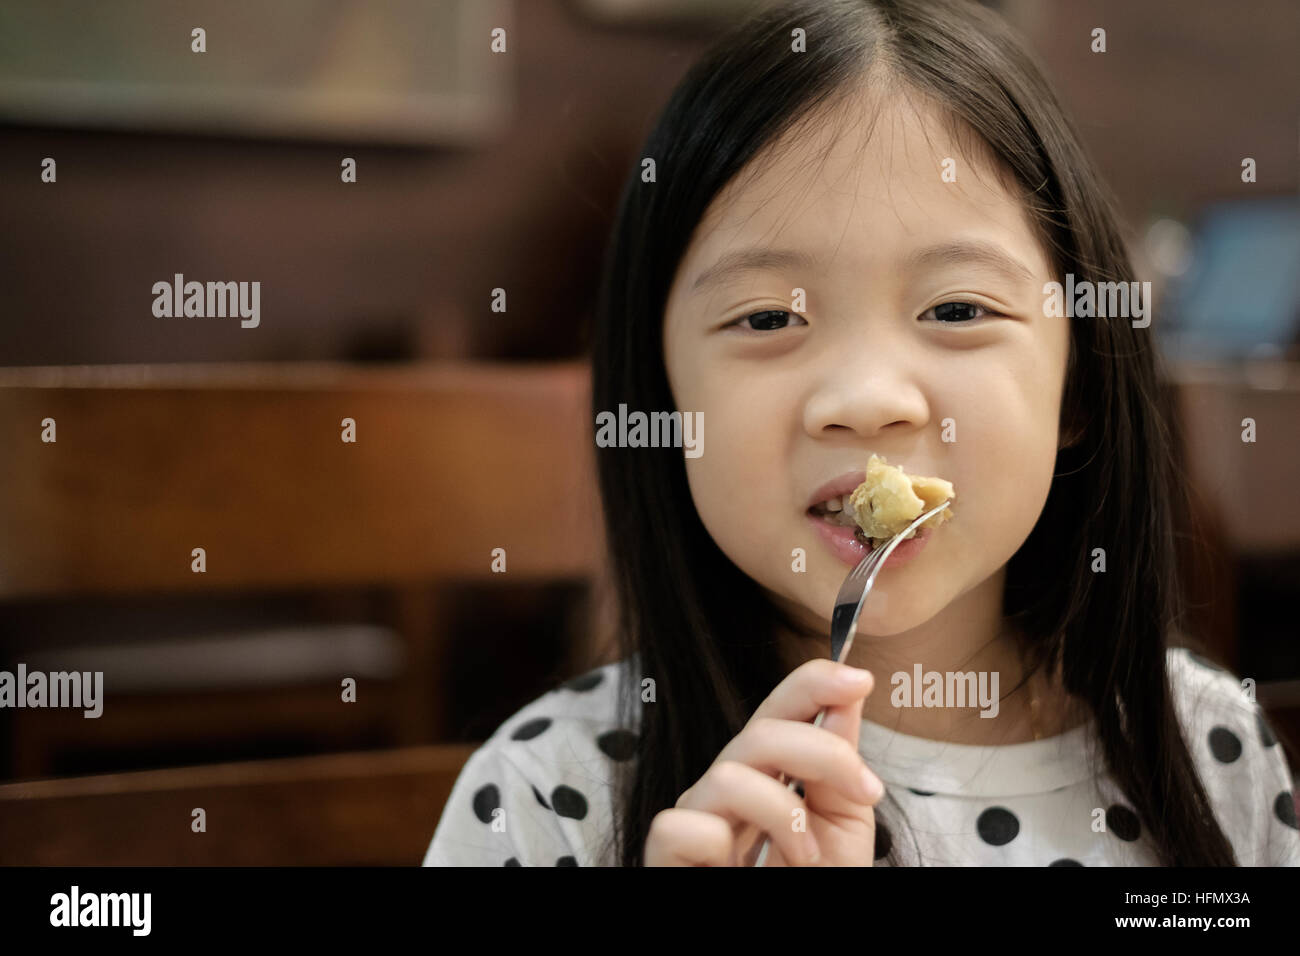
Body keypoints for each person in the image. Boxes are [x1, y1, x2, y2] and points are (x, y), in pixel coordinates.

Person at [423, 0, 1300, 866]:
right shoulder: (545, 796)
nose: (866, 400)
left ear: (1079, 385)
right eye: (767, 318)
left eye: (956, 307)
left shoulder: (1208, 753)